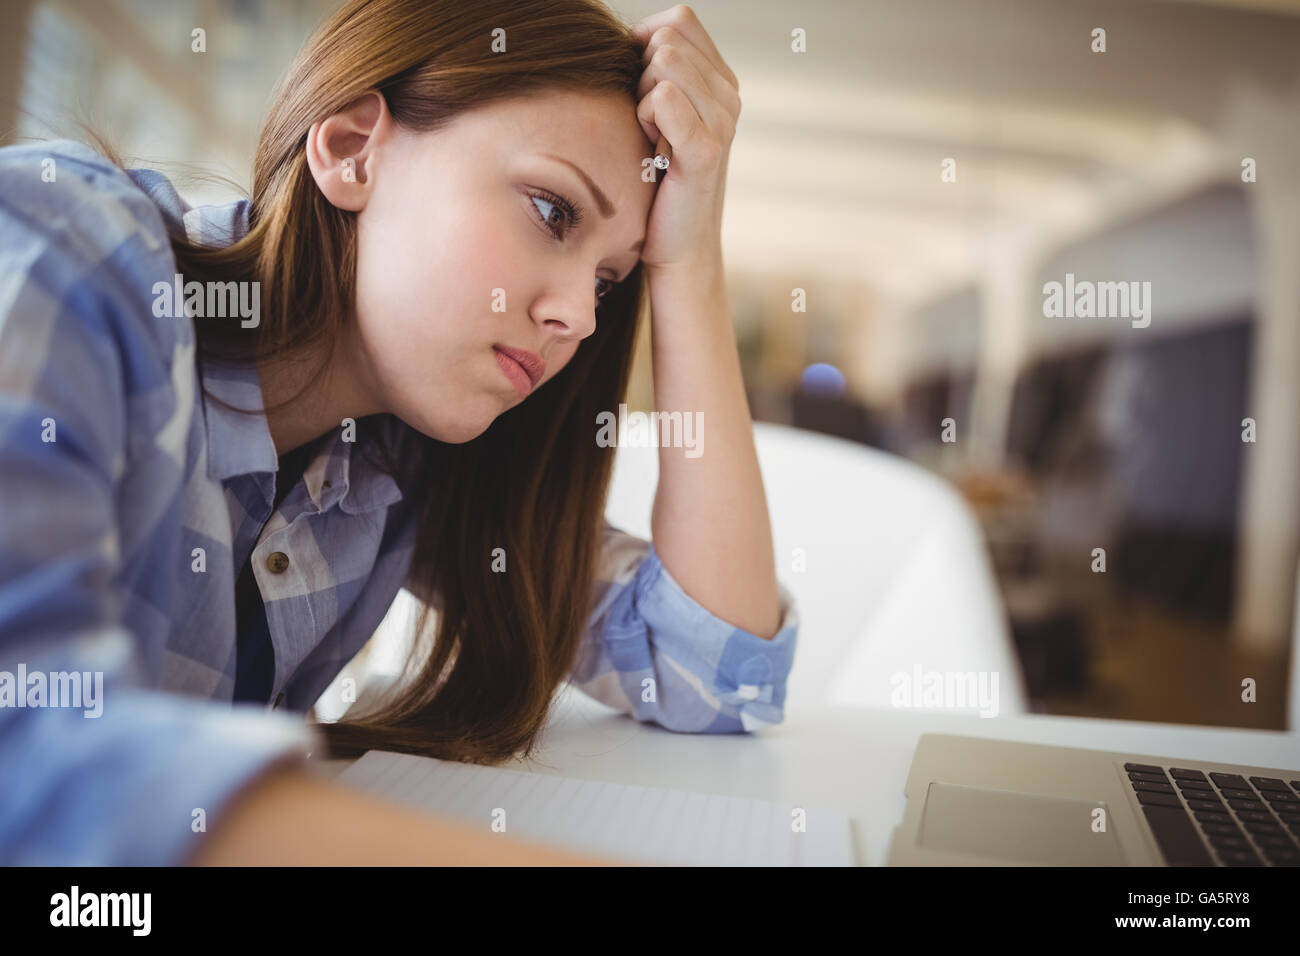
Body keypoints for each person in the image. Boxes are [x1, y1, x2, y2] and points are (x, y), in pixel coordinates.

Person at [0, 0, 798, 865]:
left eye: (608, 282)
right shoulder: (59, 255)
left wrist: (687, 262)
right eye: (552, 211)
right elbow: (27, 759)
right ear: (350, 150)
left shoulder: (394, 460)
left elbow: (712, 668)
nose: (575, 317)